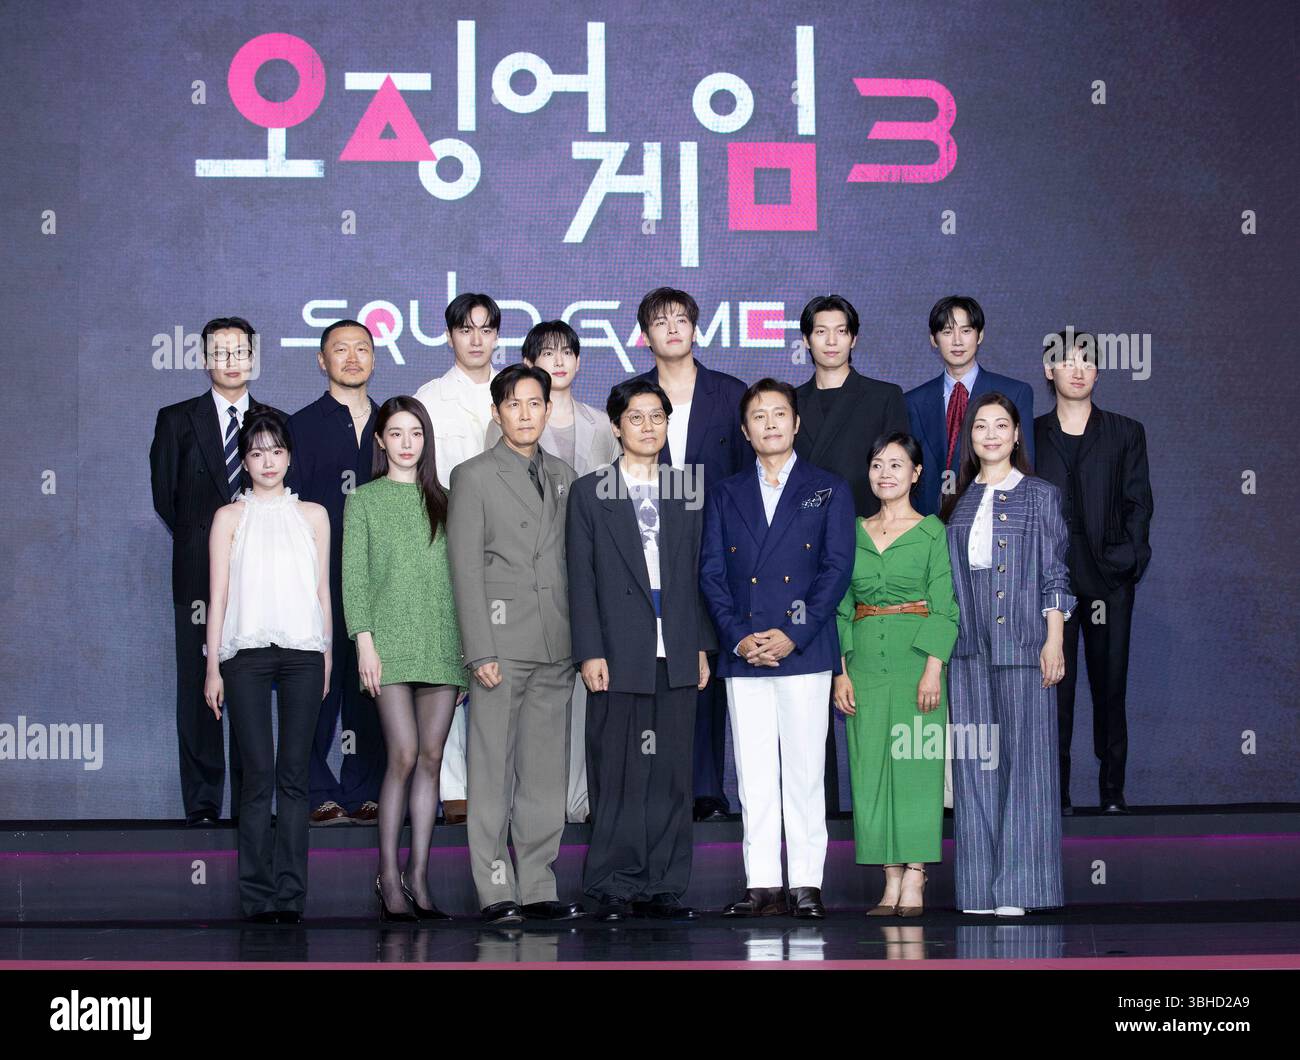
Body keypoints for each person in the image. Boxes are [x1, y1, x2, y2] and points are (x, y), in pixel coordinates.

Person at [699, 379, 854, 918]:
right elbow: (712, 574)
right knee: (754, 770)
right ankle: (761, 882)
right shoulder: (724, 493)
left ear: (795, 423)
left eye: (780, 413)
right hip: (745, 654)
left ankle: (807, 882)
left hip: (804, 649)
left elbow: (836, 571)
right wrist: (739, 638)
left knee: (806, 770)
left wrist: (794, 633)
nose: (770, 423)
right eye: (759, 416)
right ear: (745, 430)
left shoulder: (828, 487)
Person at [566, 379, 714, 922]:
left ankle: (664, 886)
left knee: (672, 773)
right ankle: (610, 882)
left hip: (675, 649)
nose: (648, 426)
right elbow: (579, 579)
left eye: (657, 416)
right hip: (616, 652)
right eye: (636, 417)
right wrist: (588, 651)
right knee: (619, 770)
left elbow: (701, 573)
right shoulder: (590, 491)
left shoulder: (688, 488)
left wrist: (700, 644)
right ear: (615, 425)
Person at [446, 363, 583, 924]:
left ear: (548, 410)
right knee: (492, 772)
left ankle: (538, 885)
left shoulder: (567, 475)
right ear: (497, 411)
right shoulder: (472, 476)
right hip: (500, 648)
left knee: (545, 774)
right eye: (514, 404)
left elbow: (574, 564)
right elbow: (464, 570)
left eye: (535, 404)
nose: (525, 414)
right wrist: (479, 650)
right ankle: (495, 887)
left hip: (557, 643)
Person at [941, 392, 1075, 917]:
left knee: (1027, 770)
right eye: (981, 427)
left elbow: (1056, 573)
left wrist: (1054, 638)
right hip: (968, 652)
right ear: (970, 439)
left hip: (1024, 647)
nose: (991, 434)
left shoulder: (1040, 495)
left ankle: (1019, 890)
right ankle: (977, 889)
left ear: (1018, 435)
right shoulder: (957, 500)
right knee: (974, 767)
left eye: (1002, 425)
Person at [487, 320, 619, 823]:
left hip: (585, 575)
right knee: (526, 712)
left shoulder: (603, 424)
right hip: (523, 585)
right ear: (528, 363)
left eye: (568, 352)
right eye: (546, 352)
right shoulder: (503, 425)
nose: (559, 360)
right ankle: (532, 808)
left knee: (585, 692)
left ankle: (578, 800)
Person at [203, 407, 330, 923]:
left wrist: (326, 656)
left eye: (276, 451)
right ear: (244, 461)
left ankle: (290, 896)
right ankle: (256, 897)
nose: (268, 461)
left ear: (289, 455)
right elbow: (218, 596)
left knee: (294, 779)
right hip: (245, 656)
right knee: (258, 777)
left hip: (303, 653)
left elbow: (322, 593)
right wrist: (213, 666)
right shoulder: (228, 518)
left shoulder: (314, 516)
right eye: (256, 452)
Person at [343, 396, 467, 921]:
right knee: (404, 755)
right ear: (380, 440)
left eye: (415, 433)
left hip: (442, 642)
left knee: (433, 759)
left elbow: (464, 579)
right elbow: (354, 576)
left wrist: (468, 648)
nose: (406, 443)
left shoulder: (447, 498)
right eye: (396, 433)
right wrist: (363, 640)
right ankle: (387, 877)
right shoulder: (363, 501)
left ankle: (418, 875)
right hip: (388, 646)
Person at [632, 287, 748, 824]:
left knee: (712, 671)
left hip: (720, 554)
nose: (673, 328)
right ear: (645, 334)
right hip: (652, 555)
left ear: (696, 328)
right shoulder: (630, 397)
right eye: (661, 321)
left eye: (682, 319)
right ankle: (662, 787)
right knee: (658, 670)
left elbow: (750, 479)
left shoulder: (730, 394)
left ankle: (707, 789)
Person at [793, 293, 910, 817]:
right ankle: (823, 811)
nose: (832, 340)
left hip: (870, 556)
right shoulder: (788, 404)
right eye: (821, 331)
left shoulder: (884, 397)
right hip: (801, 562)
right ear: (806, 340)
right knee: (815, 687)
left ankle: (879, 812)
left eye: (841, 331)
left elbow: (901, 478)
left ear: (855, 338)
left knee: (869, 684)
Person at [833, 433, 958, 917]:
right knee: (871, 772)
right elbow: (840, 609)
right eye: (878, 464)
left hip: (915, 664)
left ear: (916, 473)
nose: (886, 473)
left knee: (916, 771)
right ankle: (888, 880)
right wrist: (840, 672)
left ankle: (915, 875)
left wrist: (933, 670)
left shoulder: (932, 532)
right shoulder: (852, 531)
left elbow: (945, 609)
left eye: (897, 464)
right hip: (863, 666)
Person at [150, 316, 266, 826]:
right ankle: (201, 805)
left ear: (253, 357)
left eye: (239, 351)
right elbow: (166, 498)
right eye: (219, 352)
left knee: (248, 689)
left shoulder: (273, 422)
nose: (229, 360)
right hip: (198, 574)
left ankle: (249, 804)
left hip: (261, 577)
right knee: (198, 689)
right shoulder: (176, 419)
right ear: (203, 359)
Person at [1034, 331, 1153, 814]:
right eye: (1066, 361)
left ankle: (1111, 794)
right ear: (1049, 371)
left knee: (1111, 687)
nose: (1077, 369)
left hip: (1108, 578)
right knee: (1053, 691)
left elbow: (1139, 503)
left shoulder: (1126, 431)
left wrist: (1126, 561)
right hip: (1049, 579)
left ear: (1098, 372)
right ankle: (1055, 794)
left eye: (1087, 361)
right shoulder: (1031, 431)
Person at [285, 319, 385, 828]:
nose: (352, 358)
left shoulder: (394, 424)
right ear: (321, 361)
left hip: (382, 584)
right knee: (318, 690)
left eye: (362, 349)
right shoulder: (299, 427)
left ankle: (366, 788)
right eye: (340, 350)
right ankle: (316, 790)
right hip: (318, 582)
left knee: (372, 690)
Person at [414, 293, 502, 825]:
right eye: (465, 329)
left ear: (497, 336)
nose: (476, 339)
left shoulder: (515, 391)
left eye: (486, 329)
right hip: (445, 544)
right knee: (448, 667)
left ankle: (495, 786)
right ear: (449, 336)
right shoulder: (428, 397)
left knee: (501, 666)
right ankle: (452, 790)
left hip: (509, 551)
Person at [906, 296, 1036, 518]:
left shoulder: (1014, 393)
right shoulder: (913, 401)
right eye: (947, 332)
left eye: (966, 331)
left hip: (994, 520)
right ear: (933, 339)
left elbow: (1025, 464)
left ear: (980, 335)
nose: (957, 341)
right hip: (930, 524)